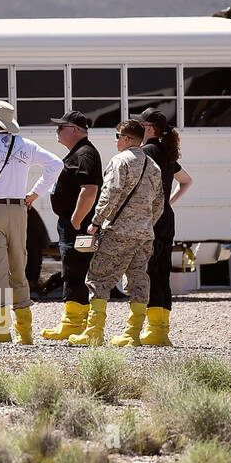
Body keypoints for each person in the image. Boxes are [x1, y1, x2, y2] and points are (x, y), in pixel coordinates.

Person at [0, 100, 64, 344]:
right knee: (18, 267)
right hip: (19, 210)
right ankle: (25, 331)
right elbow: (56, 164)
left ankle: (0, 329)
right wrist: (34, 193)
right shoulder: (26, 145)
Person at [69, 120, 163, 346]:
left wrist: (96, 221)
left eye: (118, 135)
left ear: (128, 139)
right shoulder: (153, 166)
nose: (115, 139)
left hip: (118, 231)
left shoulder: (120, 161)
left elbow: (110, 194)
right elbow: (159, 202)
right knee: (139, 280)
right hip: (144, 234)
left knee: (98, 279)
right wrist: (147, 224)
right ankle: (132, 334)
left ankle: (94, 332)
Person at [40, 111, 102, 341]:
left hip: (77, 224)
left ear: (75, 129)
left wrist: (76, 220)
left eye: (61, 127)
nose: (57, 131)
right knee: (74, 269)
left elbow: (90, 190)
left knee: (74, 271)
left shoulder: (85, 154)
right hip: (72, 222)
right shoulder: (79, 153)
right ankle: (78, 321)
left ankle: (74, 323)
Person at [134, 109, 193, 346]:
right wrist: (168, 201)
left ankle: (143, 327)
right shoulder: (168, 154)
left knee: (144, 270)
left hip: (150, 217)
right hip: (167, 217)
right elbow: (187, 181)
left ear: (149, 129)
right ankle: (159, 329)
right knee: (161, 272)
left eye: (141, 126)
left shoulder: (146, 152)